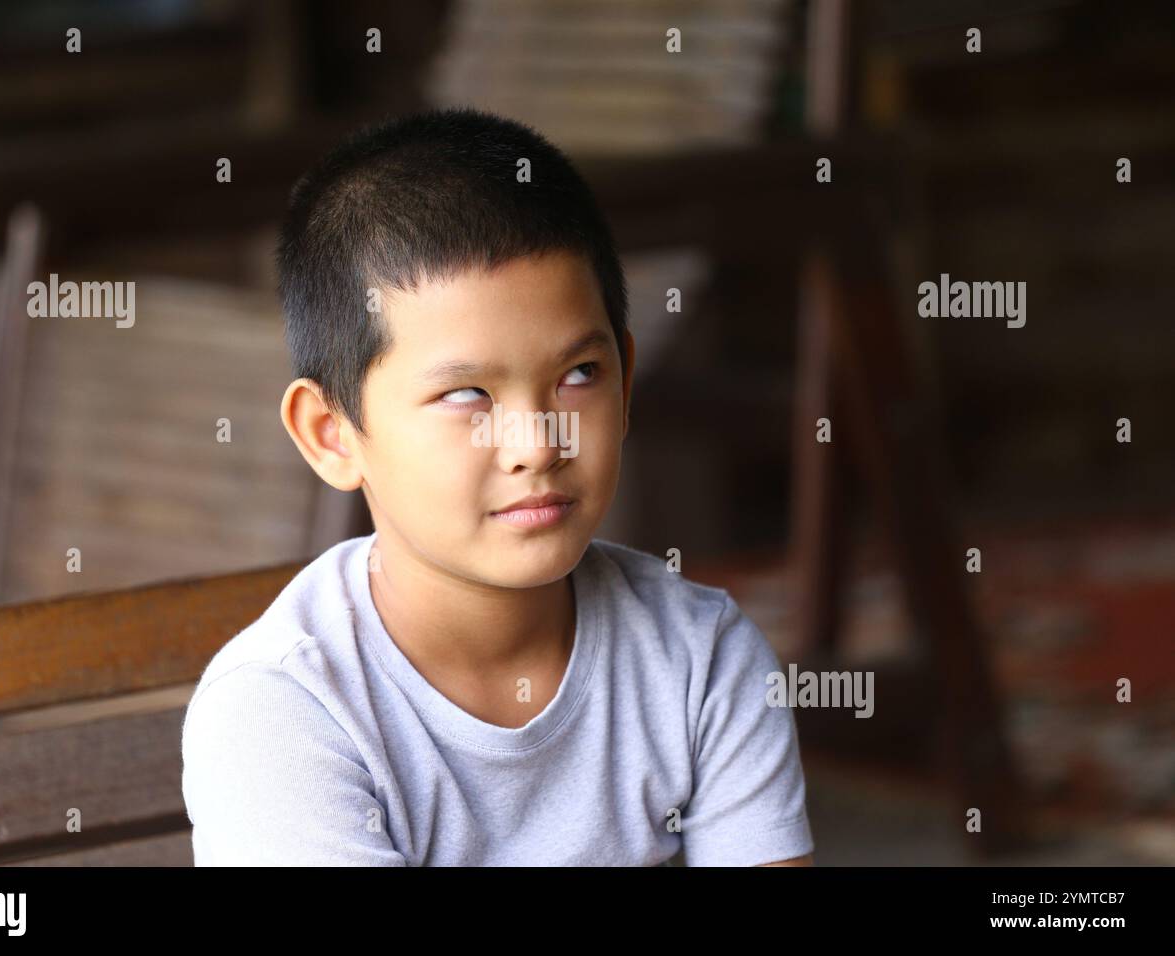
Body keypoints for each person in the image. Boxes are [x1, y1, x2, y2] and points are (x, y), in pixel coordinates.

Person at [181, 106, 815, 866]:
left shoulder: (699, 657)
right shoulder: (287, 713)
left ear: (627, 380)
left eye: (579, 375)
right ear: (332, 433)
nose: (538, 444)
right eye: (467, 396)